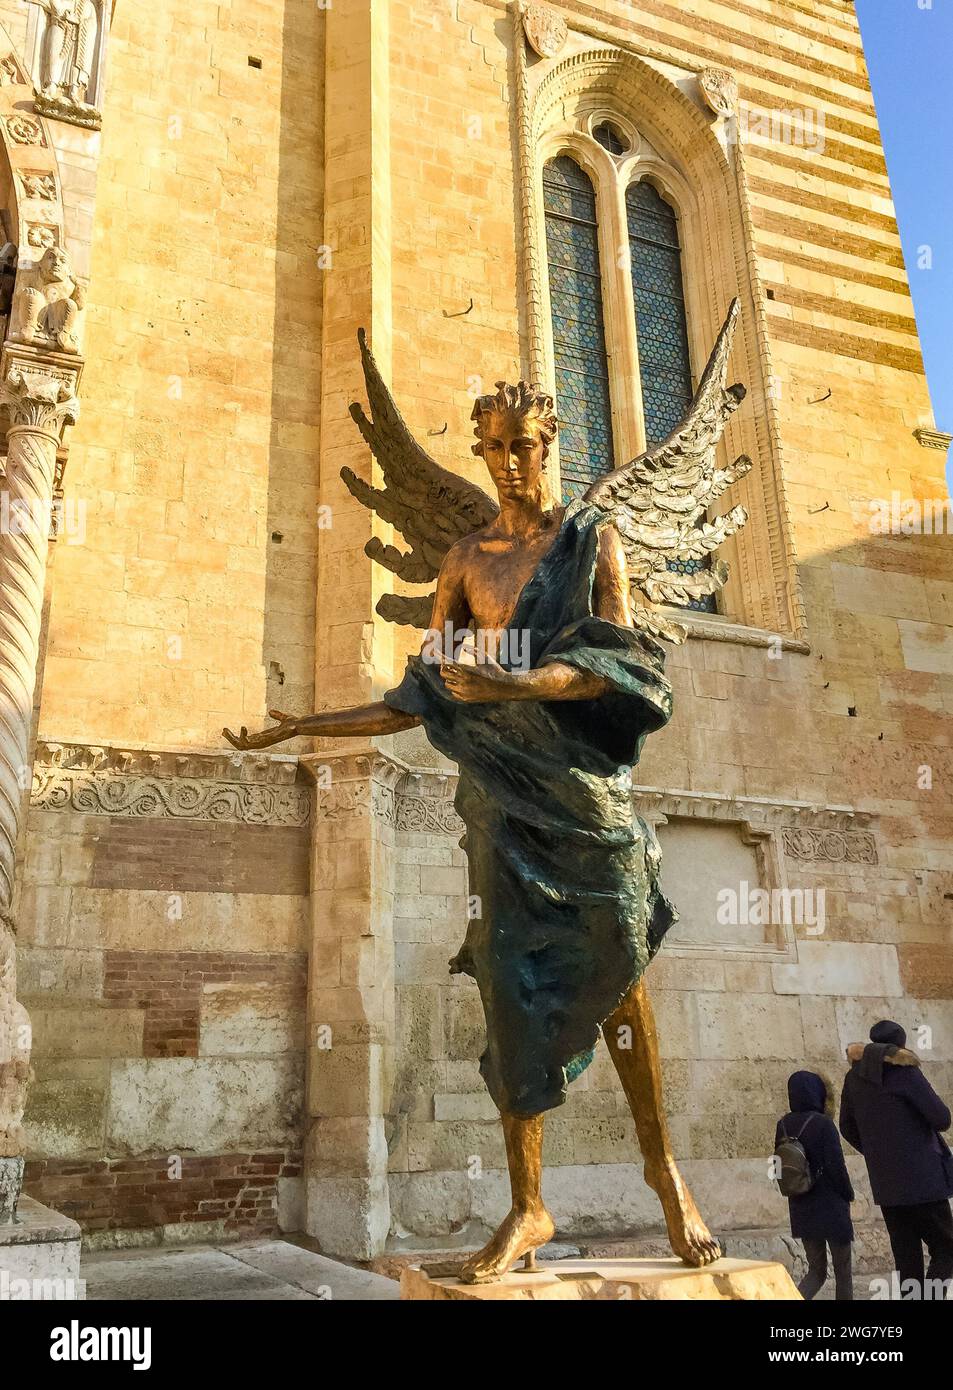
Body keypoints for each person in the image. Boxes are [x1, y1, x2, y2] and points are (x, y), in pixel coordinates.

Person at [840, 1019, 953, 1300]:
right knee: (948, 1248)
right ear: (900, 1044)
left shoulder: (854, 1078)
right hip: (923, 1181)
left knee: (907, 1260)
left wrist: (880, 1153)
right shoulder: (905, 1073)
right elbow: (941, 1118)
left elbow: (846, 1127)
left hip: (887, 1185)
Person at [776, 1071, 854, 1300]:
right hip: (831, 1205)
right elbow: (836, 1166)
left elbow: (779, 1165)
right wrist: (847, 1194)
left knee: (816, 1271)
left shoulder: (783, 1125)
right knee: (843, 1271)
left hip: (801, 1205)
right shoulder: (824, 1124)